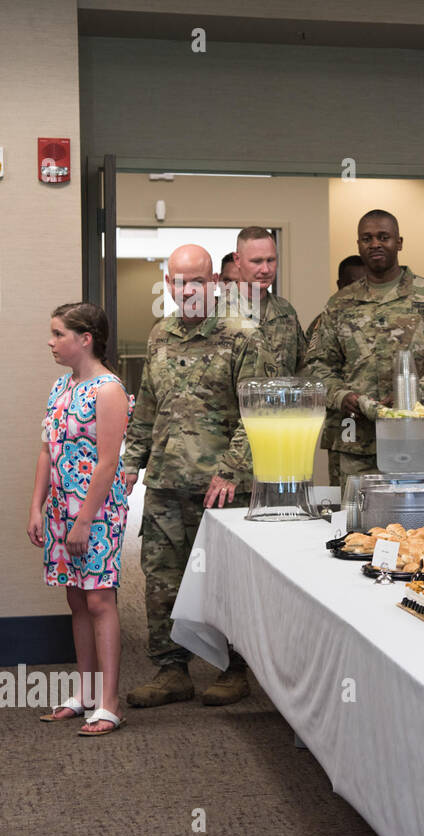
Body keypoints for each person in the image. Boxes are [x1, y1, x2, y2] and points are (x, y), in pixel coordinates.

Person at [121, 244, 269, 708]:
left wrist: (230, 470)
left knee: (225, 580)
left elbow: (257, 413)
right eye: (180, 281)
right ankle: (171, 671)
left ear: (217, 283)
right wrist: (131, 462)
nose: (189, 290)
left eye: (199, 281)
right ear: (168, 284)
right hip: (165, 480)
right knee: (162, 578)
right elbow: (147, 405)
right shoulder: (159, 335)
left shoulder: (242, 335)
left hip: (220, 486)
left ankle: (234, 669)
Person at [28, 303, 133, 735]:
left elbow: (108, 462)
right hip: (60, 508)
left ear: (85, 338)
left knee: (98, 600)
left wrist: (85, 520)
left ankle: (109, 703)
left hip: (96, 511)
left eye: (58, 334)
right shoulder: (61, 387)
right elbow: (46, 449)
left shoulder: (108, 390)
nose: (51, 342)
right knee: (75, 599)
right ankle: (86, 692)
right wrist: (36, 506)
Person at [303, 210, 424, 480]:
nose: (375, 244)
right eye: (367, 238)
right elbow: (317, 366)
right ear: (359, 245)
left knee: (422, 519)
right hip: (356, 442)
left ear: (399, 242)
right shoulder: (340, 303)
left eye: (384, 237)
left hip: (418, 438)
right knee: (357, 521)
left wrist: (410, 398)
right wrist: (343, 397)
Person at [303, 255, 367, 486]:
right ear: (340, 285)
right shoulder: (327, 320)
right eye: (352, 283)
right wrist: (340, 396)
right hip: (345, 425)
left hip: (384, 433)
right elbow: (313, 369)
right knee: (346, 498)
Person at [228, 225, 305, 374]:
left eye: (271, 260)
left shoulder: (286, 311)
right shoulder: (218, 314)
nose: (266, 269)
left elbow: (303, 368)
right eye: (257, 261)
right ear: (237, 260)